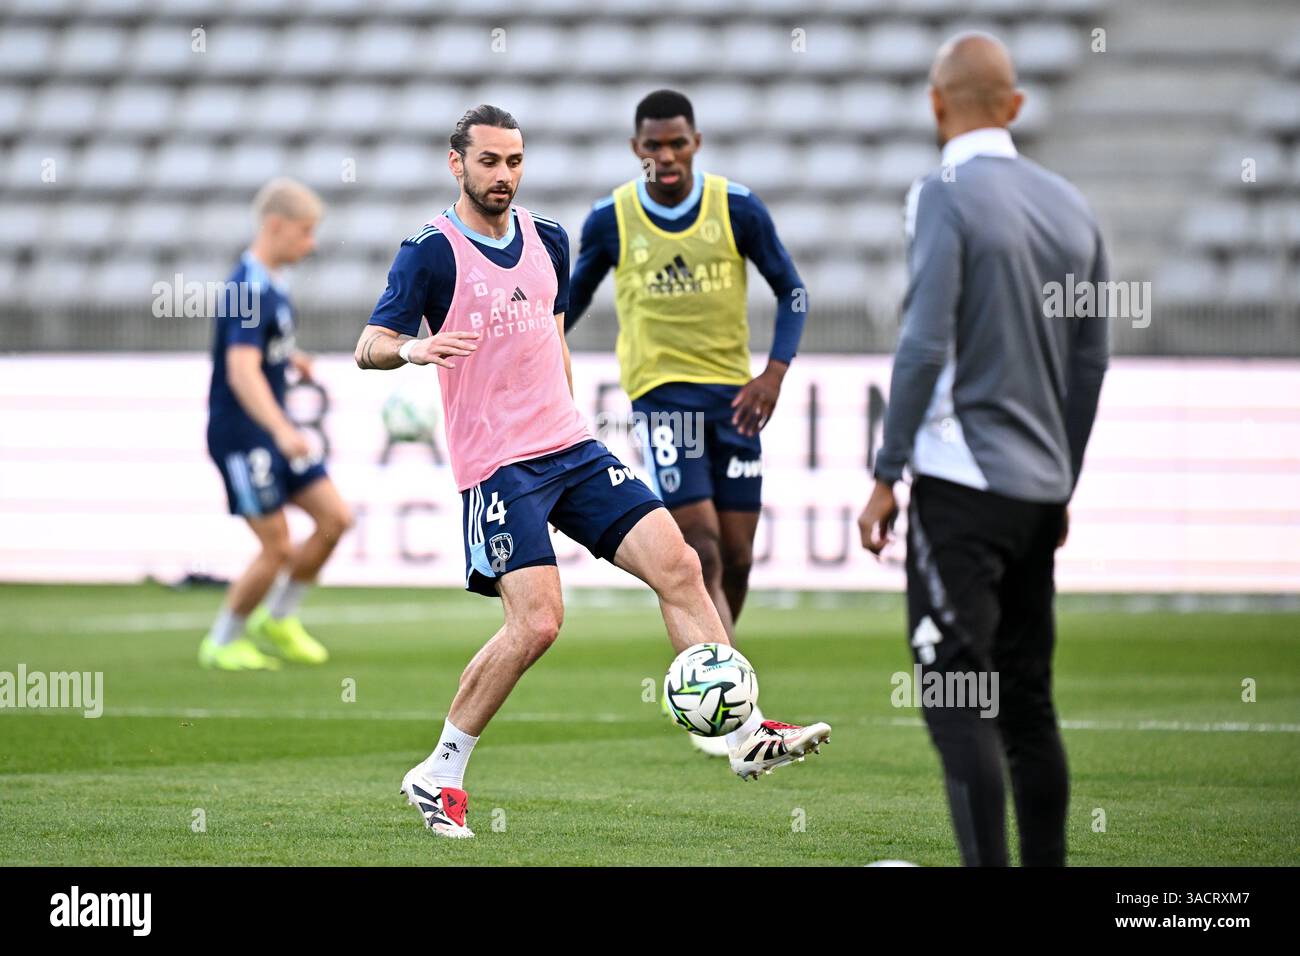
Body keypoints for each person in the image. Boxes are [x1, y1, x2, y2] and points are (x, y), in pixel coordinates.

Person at [355, 105, 831, 839]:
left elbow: (552, 337)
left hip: (571, 448)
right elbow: (369, 345)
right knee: (539, 622)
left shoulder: (549, 238)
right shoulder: (430, 253)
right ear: (457, 164)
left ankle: (743, 737)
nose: (504, 175)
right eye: (488, 162)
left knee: (679, 564)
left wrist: (569, 419)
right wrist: (412, 352)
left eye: (514, 161)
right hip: (499, 465)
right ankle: (439, 771)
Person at [858, 33, 1110, 866]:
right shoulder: (1072, 206)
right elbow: (1090, 360)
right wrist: (1060, 478)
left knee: (957, 696)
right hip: (1039, 491)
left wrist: (888, 471)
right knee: (1028, 702)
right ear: (1016, 107)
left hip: (961, 485)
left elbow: (924, 343)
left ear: (936, 106)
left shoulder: (944, 194)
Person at [568, 89, 808, 756]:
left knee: (736, 557)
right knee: (697, 547)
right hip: (662, 399)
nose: (666, 156)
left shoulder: (736, 207)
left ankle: (720, 687)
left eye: (677, 144)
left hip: (737, 400)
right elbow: (569, 301)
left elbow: (792, 289)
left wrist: (774, 373)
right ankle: (732, 716)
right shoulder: (611, 219)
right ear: (636, 149)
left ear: (695, 142)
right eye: (654, 146)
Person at [200, 178, 353, 671]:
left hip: (269, 429)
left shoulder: (271, 284)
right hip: (243, 434)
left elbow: (259, 354)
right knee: (277, 546)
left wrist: (293, 359)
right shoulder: (248, 288)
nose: (310, 245)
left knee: (335, 520)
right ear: (276, 226)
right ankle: (222, 641)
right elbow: (241, 372)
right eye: (305, 233)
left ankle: (278, 619)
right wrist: (282, 429)